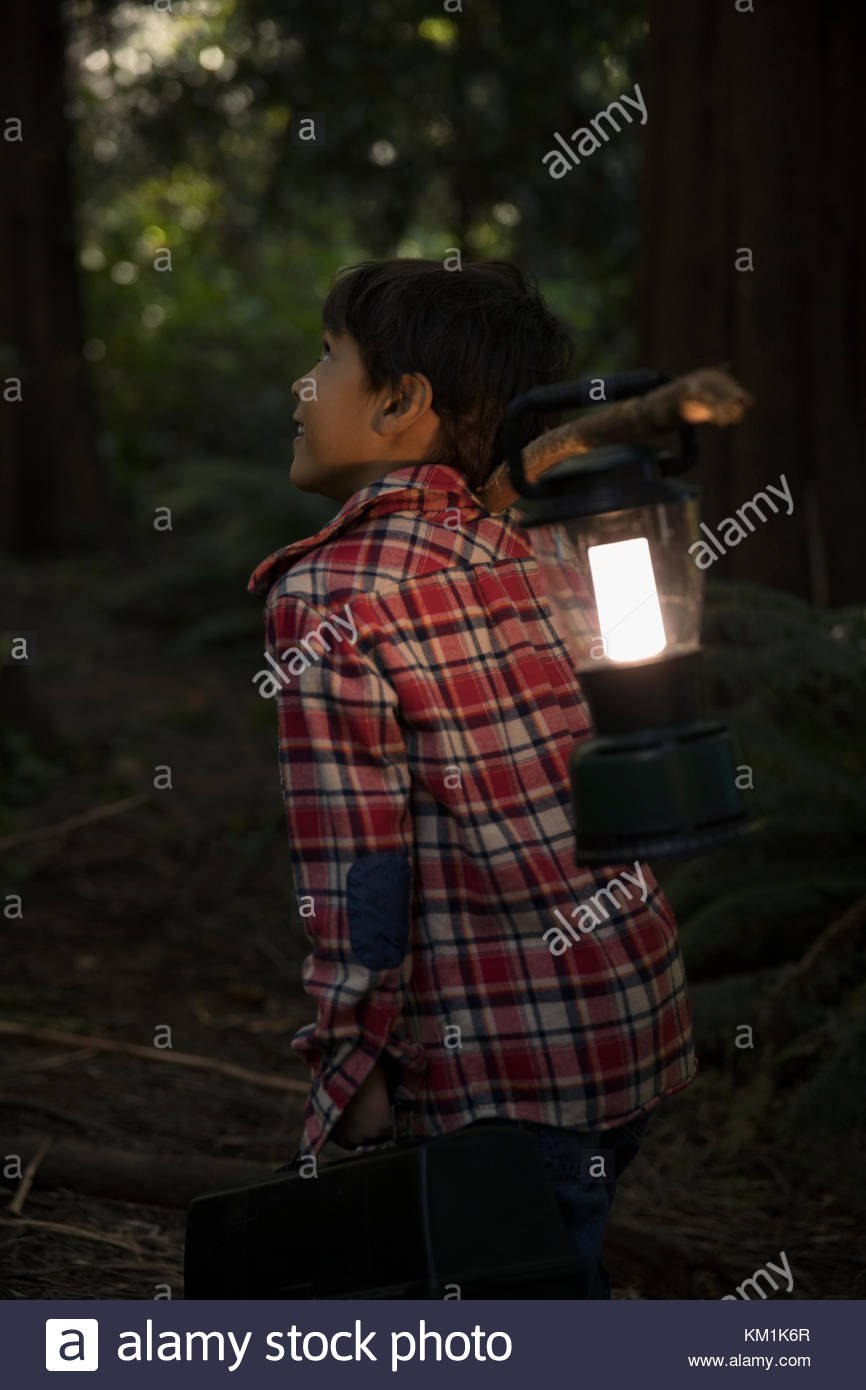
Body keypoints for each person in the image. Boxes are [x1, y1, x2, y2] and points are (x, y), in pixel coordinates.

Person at [247, 257, 696, 1297]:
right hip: (627, 1019)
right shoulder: (534, 544)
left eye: (325, 359)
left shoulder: (324, 595)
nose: (301, 388)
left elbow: (359, 869)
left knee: (501, 1309)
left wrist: (349, 1060)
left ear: (402, 402)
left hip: (493, 1069)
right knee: (553, 1266)